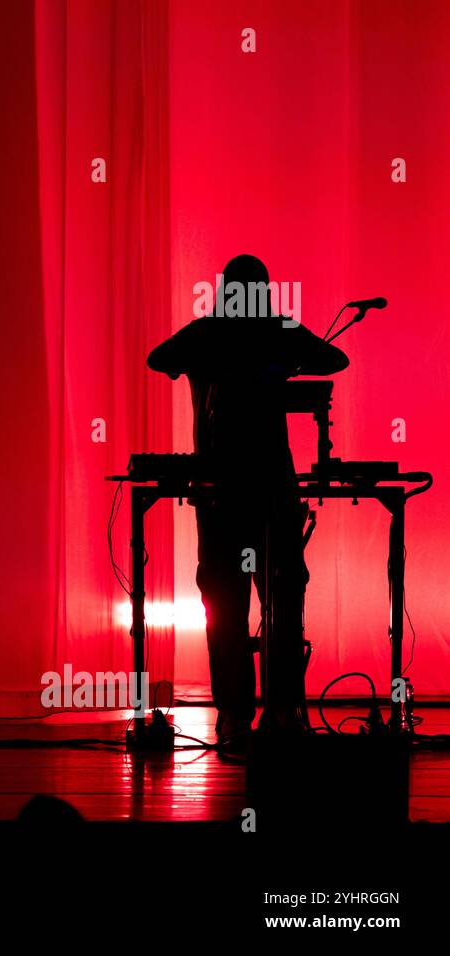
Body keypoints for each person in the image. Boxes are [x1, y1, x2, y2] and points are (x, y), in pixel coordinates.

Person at [147, 254, 348, 751]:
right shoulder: (272, 330)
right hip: (269, 490)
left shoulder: (207, 332)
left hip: (222, 494)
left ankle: (237, 717)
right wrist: (280, 362)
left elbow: (160, 358)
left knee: (227, 606)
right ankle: (279, 714)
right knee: (279, 604)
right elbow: (332, 359)